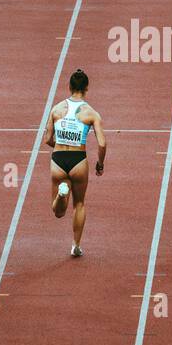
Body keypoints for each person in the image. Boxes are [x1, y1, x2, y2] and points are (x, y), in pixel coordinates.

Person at [44, 68, 106, 258]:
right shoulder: (91, 113)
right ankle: (76, 245)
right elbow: (102, 143)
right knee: (79, 204)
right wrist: (100, 163)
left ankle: (62, 195)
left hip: (58, 160)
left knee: (58, 212)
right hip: (78, 161)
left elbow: (47, 138)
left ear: (69, 87)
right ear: (87, 88)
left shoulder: (56, 109)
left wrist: (59, 146)